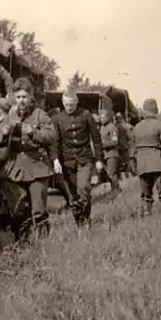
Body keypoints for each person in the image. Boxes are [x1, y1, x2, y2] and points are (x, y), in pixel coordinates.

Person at [0, 77, 57, 242]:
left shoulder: (39, 115)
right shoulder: (11, 114)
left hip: (37, 166)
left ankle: (43, 246)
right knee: (19, 209)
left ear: (31, 97)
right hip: (17, 168)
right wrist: (4, 131)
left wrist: (33, 132)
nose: (21, 101)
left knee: (38, 210)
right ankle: (22, 244)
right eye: (18, 97)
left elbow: (51, 136)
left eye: (24, 97)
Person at [52, 90, 104, 226]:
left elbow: (96, 139)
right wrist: (55, 159)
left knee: (83, 190)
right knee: (72, 196)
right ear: (63, 103)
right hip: (67, 161)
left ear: (76, 102)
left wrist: (98, 159)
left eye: (72, 105)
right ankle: (79, 224)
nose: (69, 108)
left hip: (84, 159)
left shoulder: (86, 115)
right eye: (67, 105)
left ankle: (86, 219)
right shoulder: (58, 119)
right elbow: (55, 142)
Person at [132, 98, 161, 216]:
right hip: (158, 163)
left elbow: (132, 150)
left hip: (142, 164)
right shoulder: (160, 125)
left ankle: (147, 217)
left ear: (143, 111)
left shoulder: (136, 127)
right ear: (156, 110)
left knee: (146, 196)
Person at [98, 108, 121, 192]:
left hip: (112, 154)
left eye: (103, 117)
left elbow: (115, 142)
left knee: (111, 173)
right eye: (100, 118)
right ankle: (113, 190)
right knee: (107, 173)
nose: (102, 119)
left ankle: (117, 190)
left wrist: (103, 145)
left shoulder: (112, 127)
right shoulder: (102, 128)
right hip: (104, 154)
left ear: (107, 117)